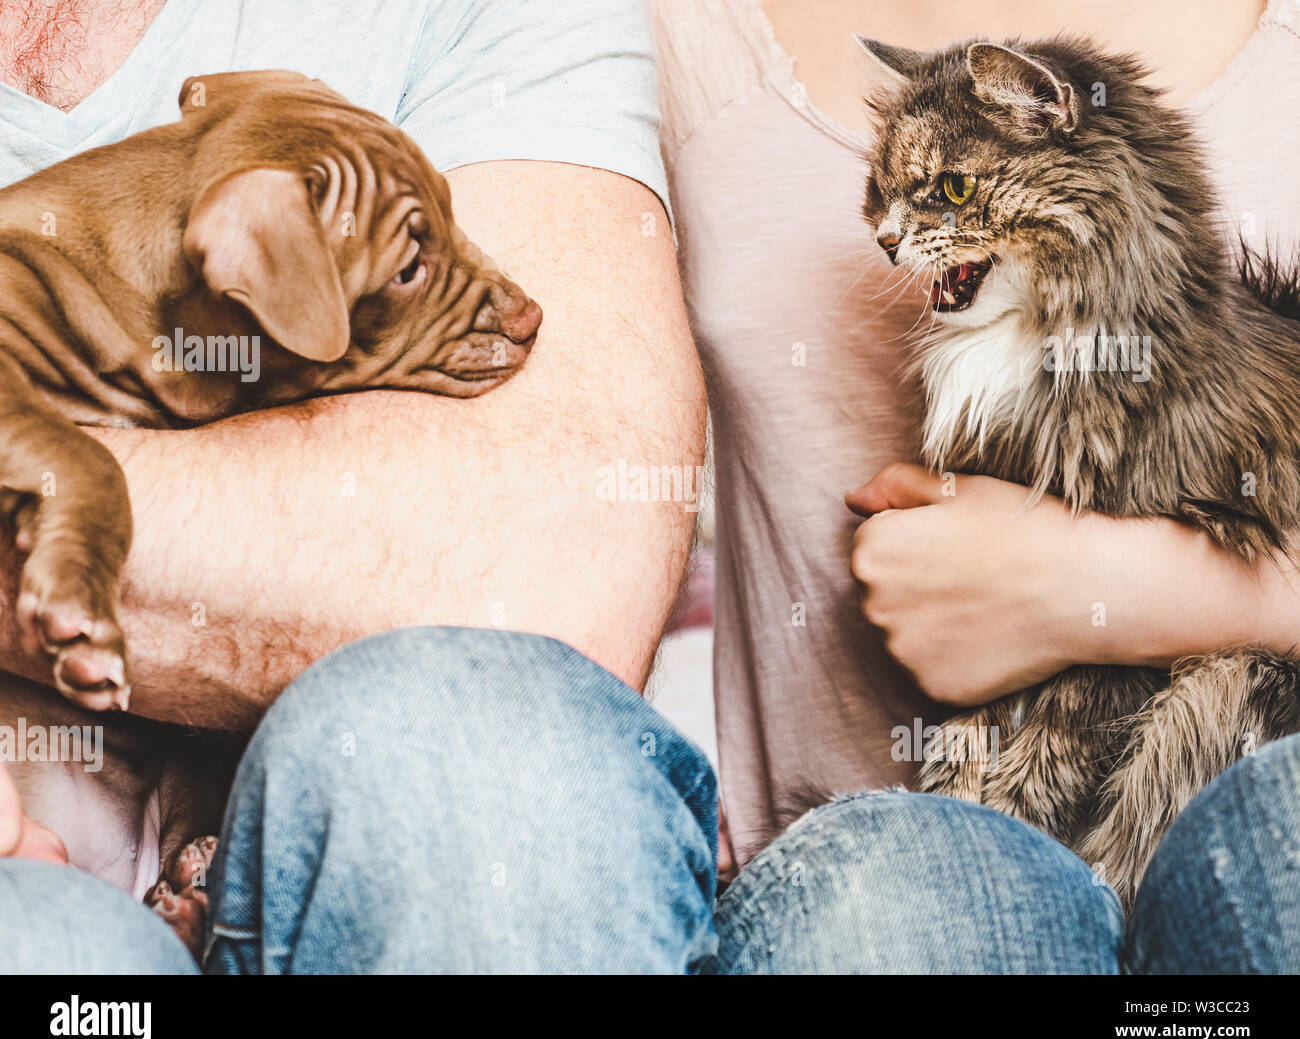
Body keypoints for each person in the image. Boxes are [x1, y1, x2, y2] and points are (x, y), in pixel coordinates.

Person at [0, 0, 714, 974]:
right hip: (50, 859)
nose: (508, 306)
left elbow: (537, 585)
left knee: (487, 747)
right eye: (416, 264)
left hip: (320, 836)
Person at [653, 0, 1300, 971]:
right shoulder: (679, 38)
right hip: (893, 878)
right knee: (904, 897)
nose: (893, 238)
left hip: (1255, 788)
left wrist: (1104, 592)